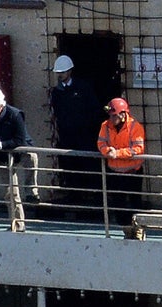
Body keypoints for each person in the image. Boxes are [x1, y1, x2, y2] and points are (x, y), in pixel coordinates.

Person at [0, 86, 38, 232]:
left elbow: (20, 140)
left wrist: (1, 144)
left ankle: (31, 190)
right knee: (11, 192)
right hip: (2, 158)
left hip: (18, 151)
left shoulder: (15, 115)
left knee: (32, 156)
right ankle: (17, 224)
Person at [49, 54, 102, 200]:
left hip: (84, 136)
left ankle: (93, 197)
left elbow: (94, 110)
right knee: (70, 168)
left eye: (63, 72)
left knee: (88, 167)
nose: (60, 75)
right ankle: (74, 196)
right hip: (67, 137)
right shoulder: (57, 92)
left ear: (70, 71)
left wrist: (89, 129)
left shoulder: (83, 87)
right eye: (59, 72)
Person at [96, 97, 146, 228]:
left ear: (123, 114)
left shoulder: (136, 127)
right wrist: (107, 151)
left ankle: (137, 229)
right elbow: (101, 143)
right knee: (118, 203)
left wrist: (117, 153)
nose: (112, 119)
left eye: (114, 116)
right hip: (115, 173)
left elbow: (138, 149)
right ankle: (123, 228)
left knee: (135, 203)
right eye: (110, 116)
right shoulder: (105, 126)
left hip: (133, 173)